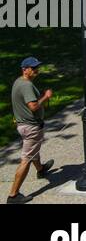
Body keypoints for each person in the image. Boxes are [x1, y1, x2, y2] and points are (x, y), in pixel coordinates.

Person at [7, 57, 54, 203]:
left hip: (23, 125)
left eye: (37, 68)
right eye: (33, 68)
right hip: (31, 127)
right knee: (26, 159)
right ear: (24, 69)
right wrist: (46, 97)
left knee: (33, 149)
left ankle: (41, 170)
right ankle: (13, 195)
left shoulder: (18, 82)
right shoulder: (26, 85)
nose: (36, 71)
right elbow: (33, 106)